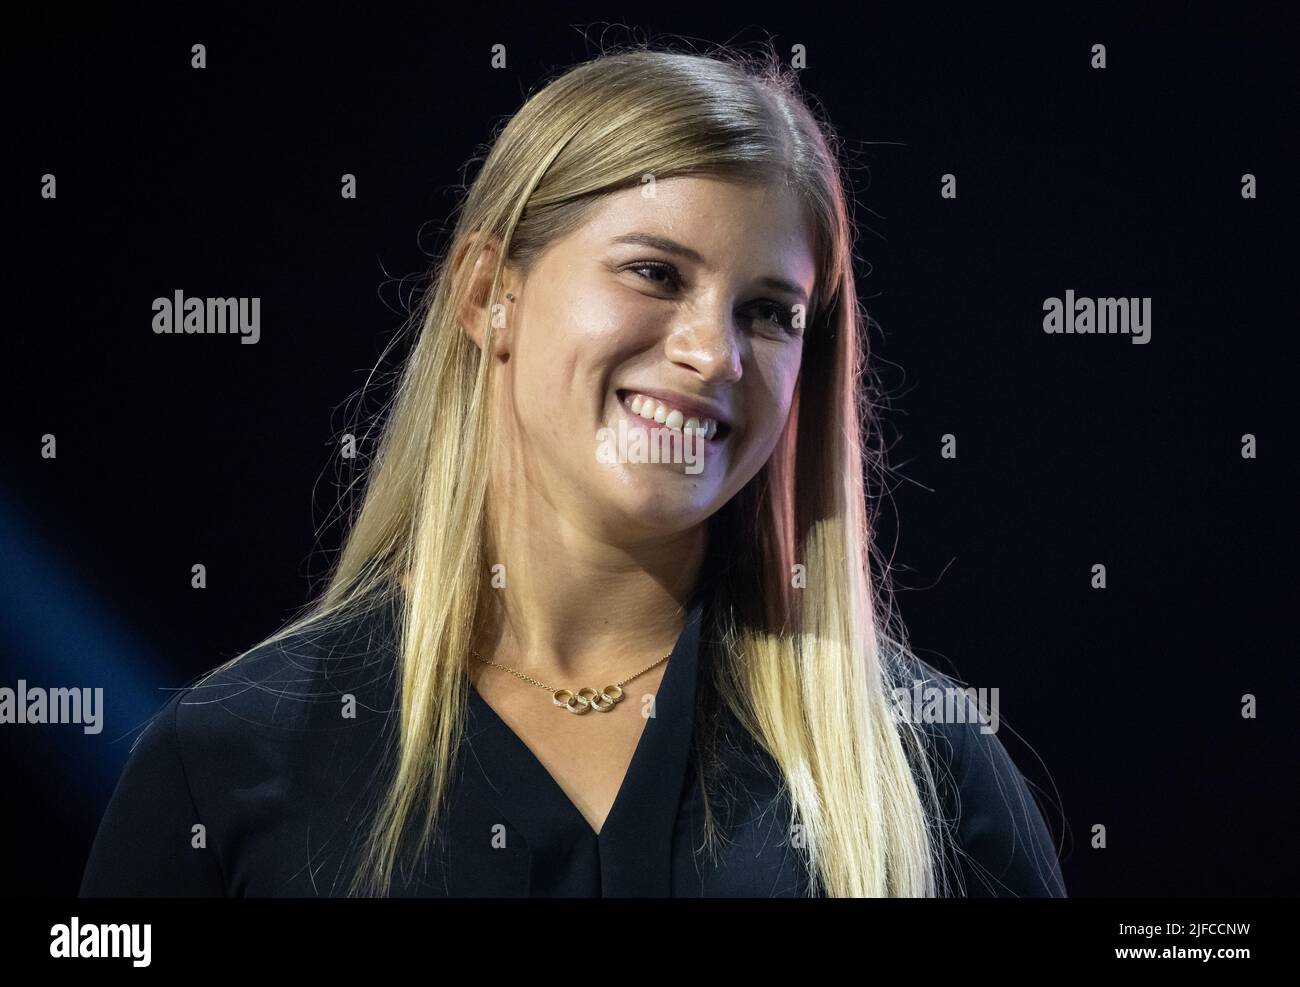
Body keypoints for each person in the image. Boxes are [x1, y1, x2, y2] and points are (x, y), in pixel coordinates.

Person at [80, 45, 1065, 898]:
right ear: (486, 294)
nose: (712, 354)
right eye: (654, 273)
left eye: (768, 312)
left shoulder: (917, 761)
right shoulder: (233, 758)